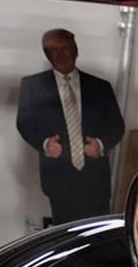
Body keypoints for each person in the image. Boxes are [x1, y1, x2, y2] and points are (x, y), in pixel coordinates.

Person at [16, 28, 125, 223]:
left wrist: (100, 145)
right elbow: (25, 123)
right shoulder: (32, 86)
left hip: (95, 177)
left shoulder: (101, 87)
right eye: (53, 50)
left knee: (98, 234)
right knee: (65, 236)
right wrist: (45, 144)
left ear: (76, 50)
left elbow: (117, 125)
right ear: (46, 54)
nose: (60, 54)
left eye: (65, 48)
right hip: (58, 177)